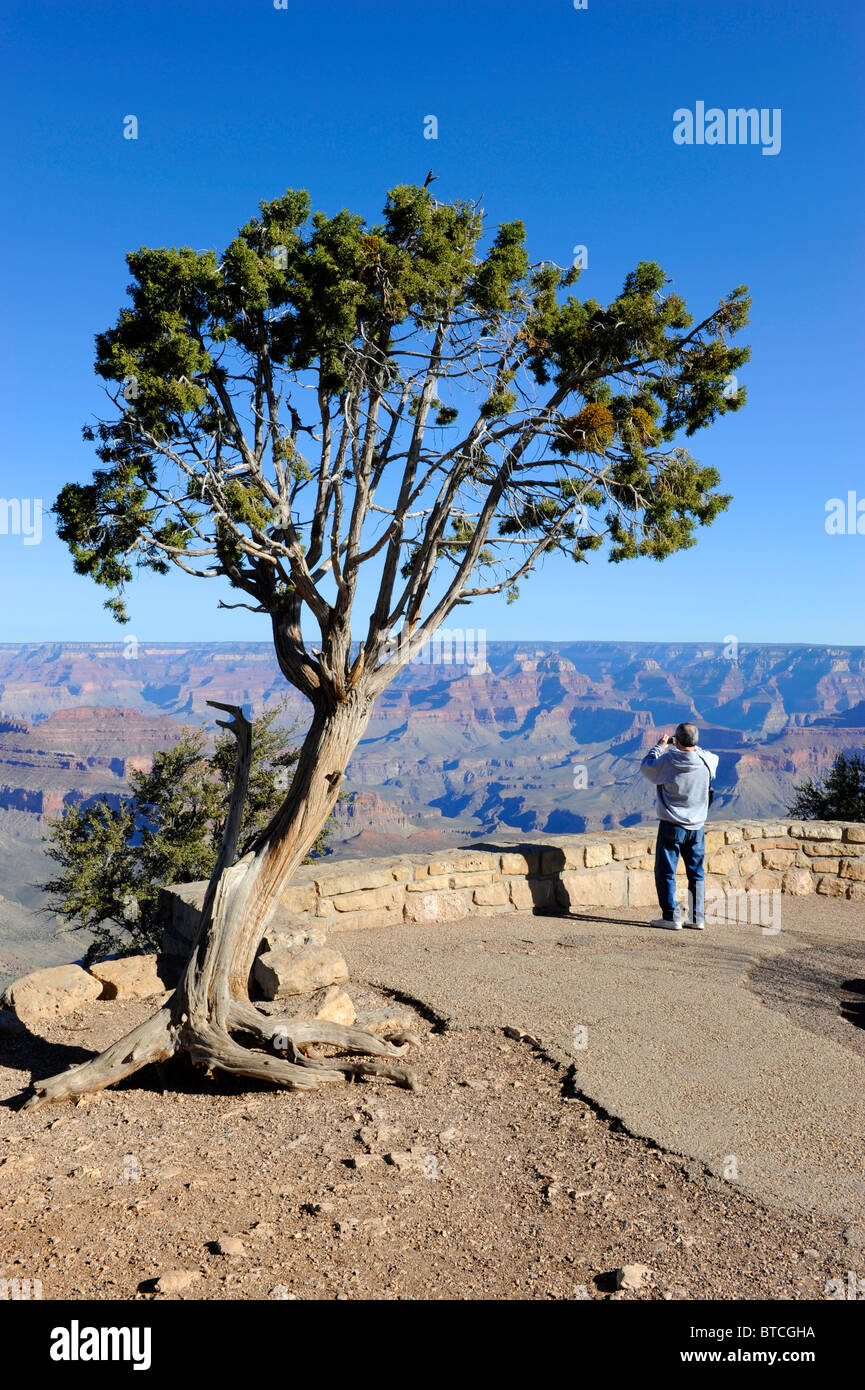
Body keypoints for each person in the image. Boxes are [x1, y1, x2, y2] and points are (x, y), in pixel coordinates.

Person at [639, 722, 719, 930]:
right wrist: (692, 746)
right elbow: (709, 754)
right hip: (697, 829)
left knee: (666, 872)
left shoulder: (668, 760)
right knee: (696, 874)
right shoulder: (707, 761)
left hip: (671, 826)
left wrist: (660, 746)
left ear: (677, 740)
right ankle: (696, 917)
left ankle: (671, 917)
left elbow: (646, 767)